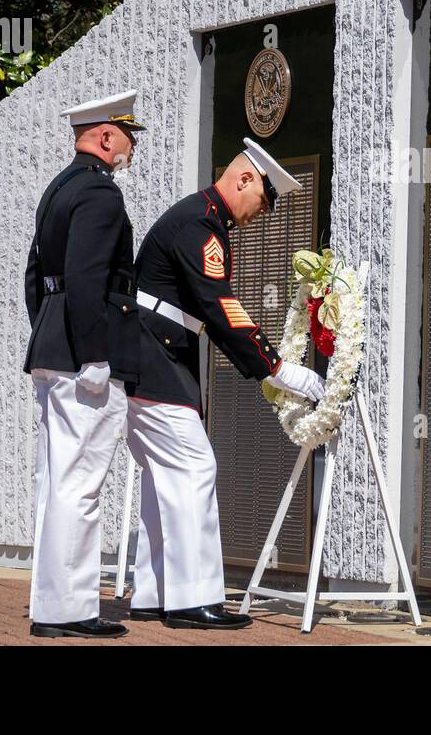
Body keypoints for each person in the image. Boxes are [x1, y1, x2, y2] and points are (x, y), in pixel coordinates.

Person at [125, 136, 326, 630]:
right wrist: (278, 368)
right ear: (242, 179)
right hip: (157, 359)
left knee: (163, 482)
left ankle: (156, 593)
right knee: (194, 471)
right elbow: (220, 308)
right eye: (261, 201)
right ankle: (193, 601)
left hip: (150, 354)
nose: (259, 214)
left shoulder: (201, 218)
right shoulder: (202, 224)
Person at [22, 89, 145, 638]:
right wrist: (95, 353)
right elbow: (90, 279)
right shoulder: (100, 194)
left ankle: (52, 603)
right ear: (102, 136)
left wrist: (48, 335)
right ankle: (70, 610)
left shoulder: (58, 189)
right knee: (80, 484)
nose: (131, 146)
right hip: (83, 357)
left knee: (57, 481)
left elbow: (35, 277)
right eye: (126, 136)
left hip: (54, 350)